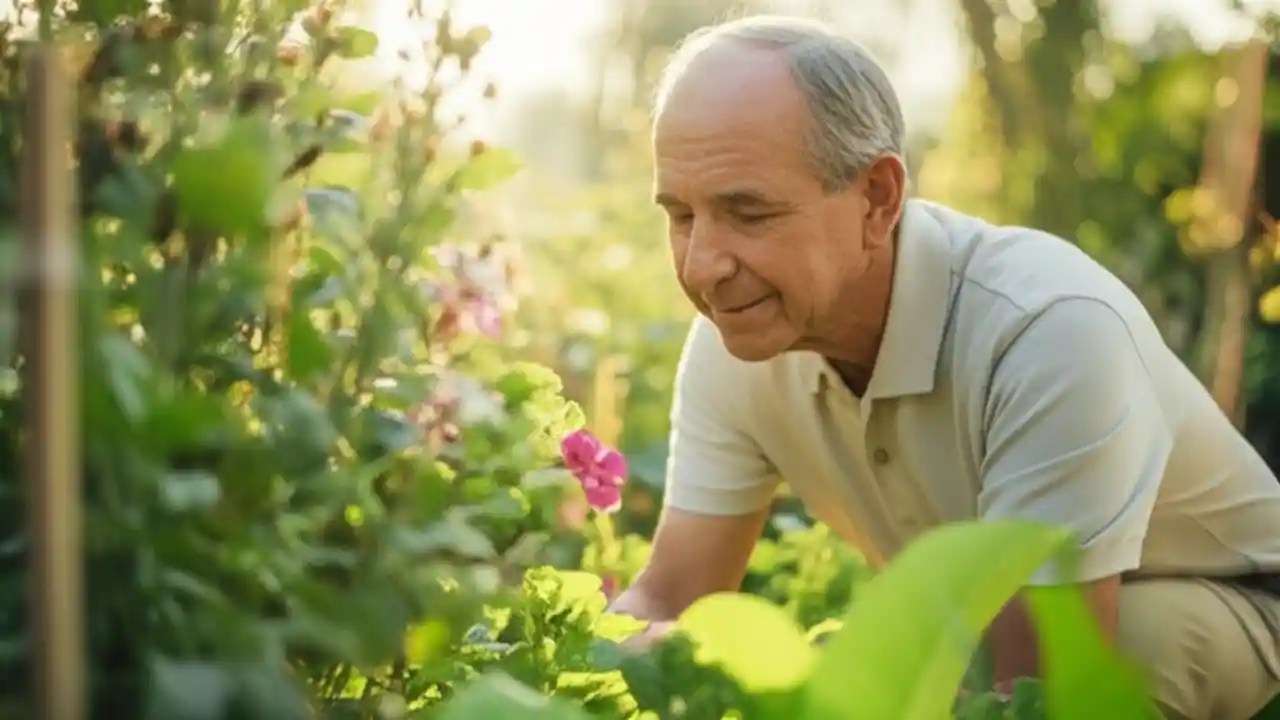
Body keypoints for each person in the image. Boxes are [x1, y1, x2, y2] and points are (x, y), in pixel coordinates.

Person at [607, 14, 1280, 720]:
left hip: (1230, 599)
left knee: (1084, 673)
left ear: (877, 199)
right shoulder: (740, 335)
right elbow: (670, 597)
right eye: (680, 214)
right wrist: (565, 659)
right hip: (988, 621)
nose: (702, 266)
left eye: (749, 212)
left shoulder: (1049, 330)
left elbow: (1029, 693)